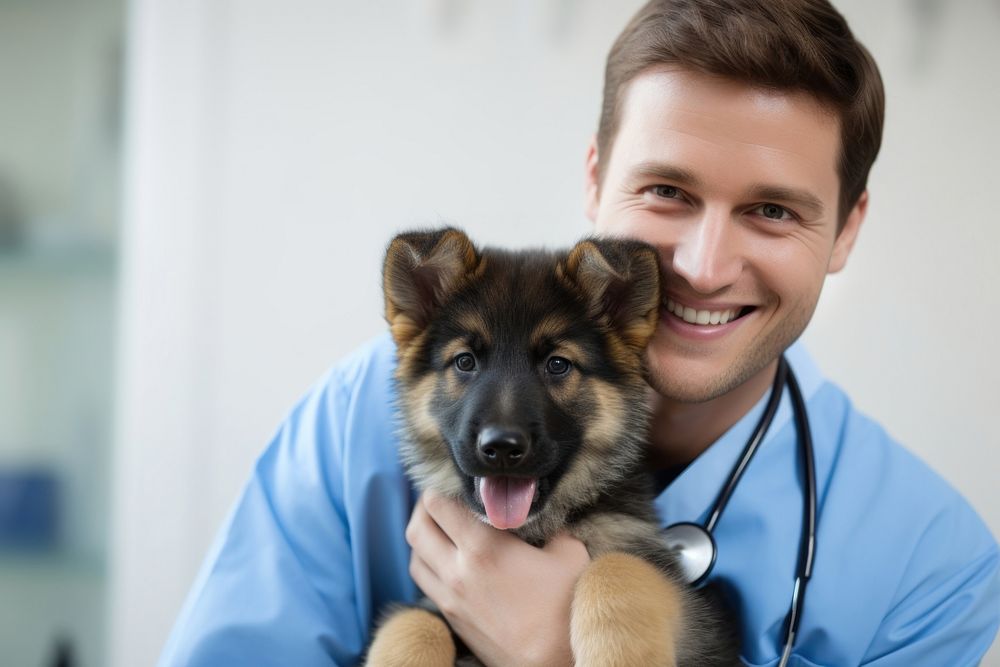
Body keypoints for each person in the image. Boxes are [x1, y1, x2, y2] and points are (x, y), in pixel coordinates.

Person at [160, 1, 1000, 665]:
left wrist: (558, 653)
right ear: (595, 178)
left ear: (848, 230)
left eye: (772, 210)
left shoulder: (932, 567)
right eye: (668, 190)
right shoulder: (350, 423)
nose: (703, 266)